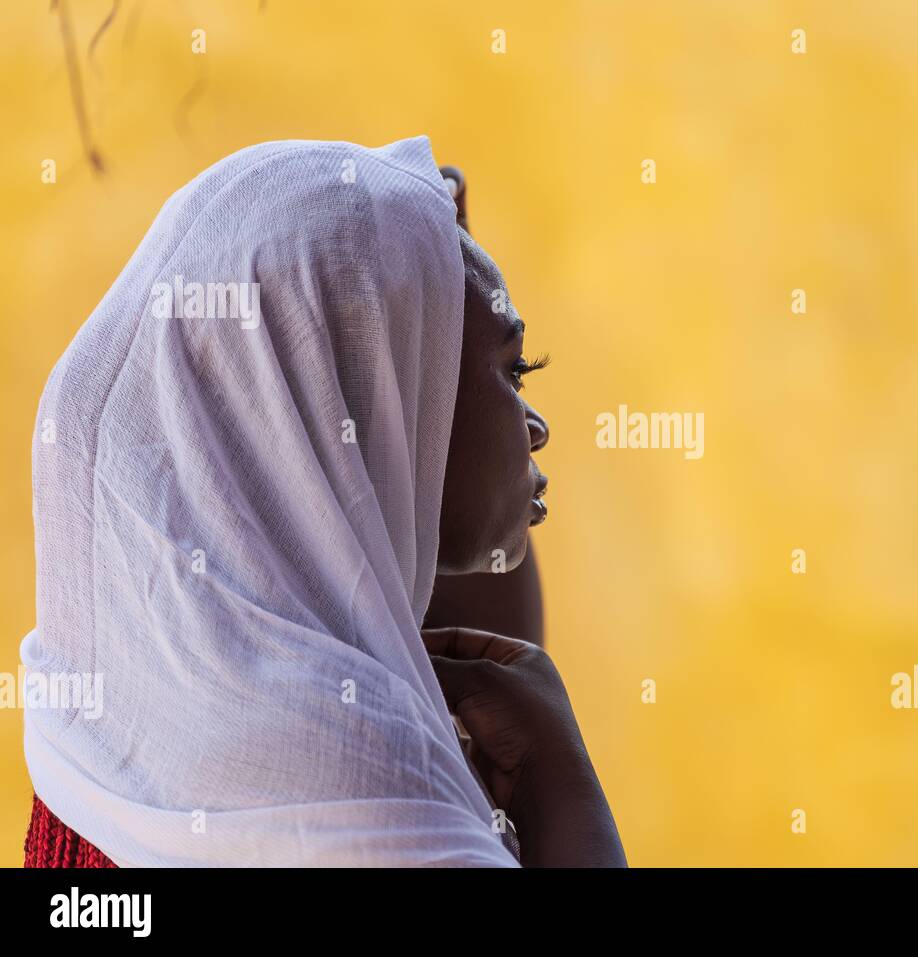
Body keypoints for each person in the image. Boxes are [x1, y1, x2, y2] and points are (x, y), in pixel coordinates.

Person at [21, 137, 625, 867]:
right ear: (381, 410)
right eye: (516, 370)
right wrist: (569, 794)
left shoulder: (103, 723)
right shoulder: (382, 809)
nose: (536, 426)